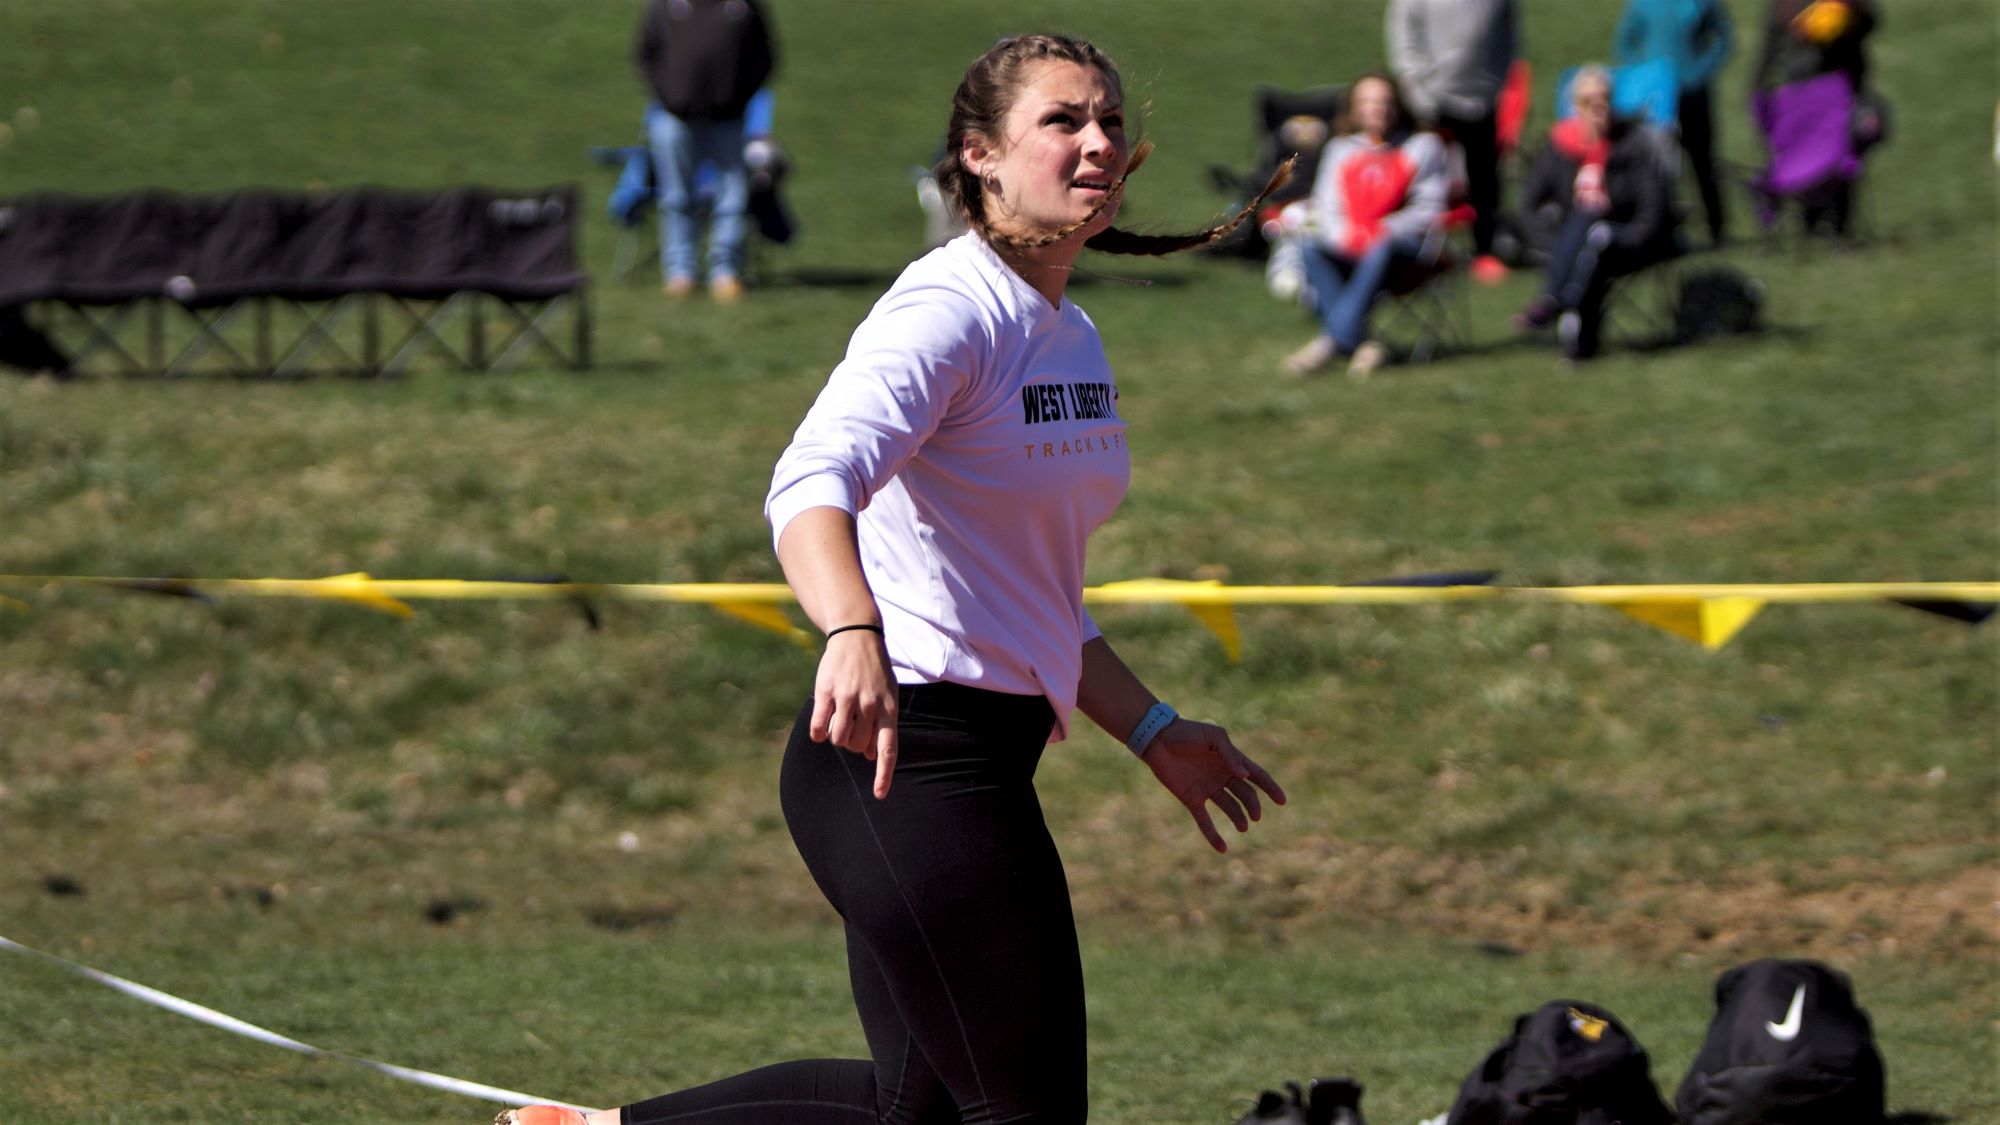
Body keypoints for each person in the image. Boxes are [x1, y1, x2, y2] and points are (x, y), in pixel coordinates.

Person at [499, 33, 1288, 1125]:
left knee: (905, 1112)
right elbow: (809, 480)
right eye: (1061, 121)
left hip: (979, 759)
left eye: (1106, 119)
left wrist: (1151, 728)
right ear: (980, 156)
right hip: (902, 761)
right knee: (1023, 1112)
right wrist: (847, 631)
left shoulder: (1071, 334)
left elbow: (1033, 602)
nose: (1098, 141)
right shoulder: (946, 307)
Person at [1279, 72, 1449, 381]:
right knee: (1307, 243)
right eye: (1368, 102)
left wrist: (1383, 229)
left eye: (1384, 102)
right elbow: (1326, 206)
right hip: (1348, 245)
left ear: (1398, 105)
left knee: (1380, 246)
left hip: (1401, 250)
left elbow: (1430, 208)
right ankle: (1363, 344)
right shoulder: (1340, 149)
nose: (1377, 109)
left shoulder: (1424, 146)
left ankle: (1329, 343)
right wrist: (1347, 234)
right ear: (1355, 108)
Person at [1511, 66, 1678, 362]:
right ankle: (1577, 337)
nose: (1597, 108)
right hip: (1569, 244)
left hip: (1624, 239)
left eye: (1604, 100)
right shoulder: (1558, 146)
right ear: (1574, 107)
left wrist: (1634, 237)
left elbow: (1653, 207)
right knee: (1588, 233)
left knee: (1593, 228)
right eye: (1588, 102)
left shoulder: (1633, 145)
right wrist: (1553, 243)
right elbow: (1528, 205)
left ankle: (1553, 304)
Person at [634, 0, 777, 303]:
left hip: (729, 118)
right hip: (675, 118)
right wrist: (669, 94)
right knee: (676, 196)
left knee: (733, 195)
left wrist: (738, 97)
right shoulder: (666, 5)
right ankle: (680, 272)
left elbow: (765, 57)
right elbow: (646, 52)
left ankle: (725, 272)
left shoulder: (745, 6)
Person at [1386, 0, 1519, 284]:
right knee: (1423, 177)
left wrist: (1496, 84)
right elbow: (1403, 39)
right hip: (1431, 100)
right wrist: (1418, 93)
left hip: (1483, 98)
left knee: (1484, 178)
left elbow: (1509, 40)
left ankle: (1485, 249)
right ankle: (1416, 249)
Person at [1616, 0, 1734, 245]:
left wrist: (1699, 72)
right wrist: (1646, 76)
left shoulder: (1703, 3)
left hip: (1694, 97)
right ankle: (1667, 231)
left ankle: (1718, 229)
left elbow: (1724, 38)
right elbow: (1625, 42)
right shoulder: (1643, 4)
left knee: (1704, 163)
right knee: (1661, 166)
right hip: (1658, 104)